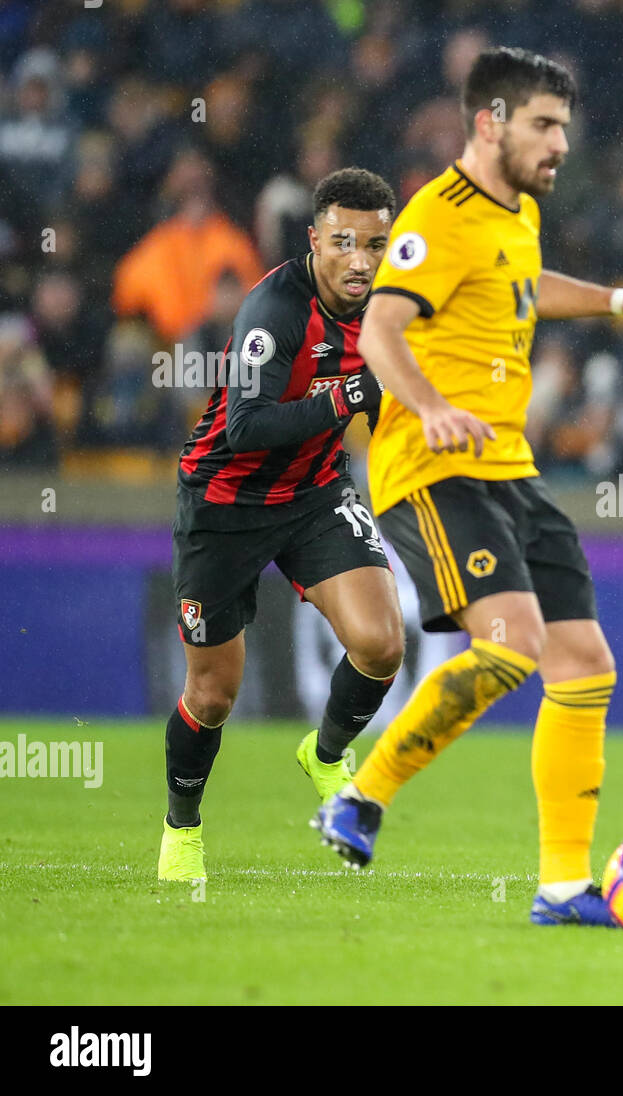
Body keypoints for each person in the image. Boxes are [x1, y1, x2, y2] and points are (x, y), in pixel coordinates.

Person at [312, 47, 623, 928]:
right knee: (515, 643)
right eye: (544, 125)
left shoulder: (515, 210)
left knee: (585, 665)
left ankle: (563, 887)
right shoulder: (436, 216)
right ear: (490, 122)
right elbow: (380, 328)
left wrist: (617, 299)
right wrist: (431, 407)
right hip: (435, 469)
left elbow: (521, 291)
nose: (561, 142)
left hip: (509, 471)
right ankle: (359, 796)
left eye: (563, 125)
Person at [158, 168, 405, 883]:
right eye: (344, 243)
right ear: (315, 240)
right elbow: (248, 426)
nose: (360, 260)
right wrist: (351, 395)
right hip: (224, 504)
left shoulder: (388, 307)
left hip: (315, 494)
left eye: (376, 245)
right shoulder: (274, 309)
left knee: (382, 644)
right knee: (212, 695)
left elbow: (393, 400)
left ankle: (325, 755)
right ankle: (182, 827)